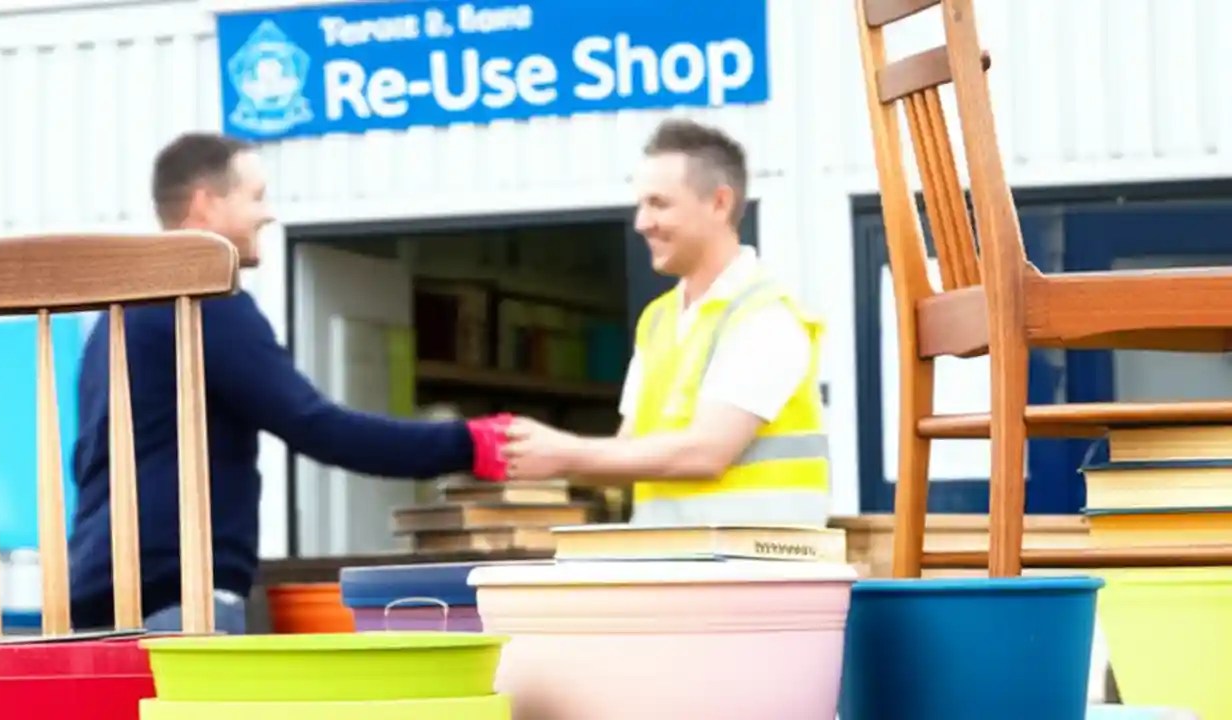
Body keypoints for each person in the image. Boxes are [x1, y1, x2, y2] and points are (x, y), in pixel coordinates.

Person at [67, 133, 510, 634]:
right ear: (205, 205)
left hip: (99, 593)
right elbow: (314, 425)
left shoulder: (119, 313)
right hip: (175, 598)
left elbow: (85, 458)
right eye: (256, 196)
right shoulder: (203, 302)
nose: (268, 214)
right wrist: (472, 443)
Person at [502, 118, 830, 527]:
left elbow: (707, 453)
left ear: (719, 203)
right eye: (640, 205)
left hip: (756, 575)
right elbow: (626, 453)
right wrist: (517, 454)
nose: (641, 222)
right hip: (675, 568)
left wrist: (565, 453)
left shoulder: (765, 317)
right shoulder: (658, 320)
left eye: (659, 204)